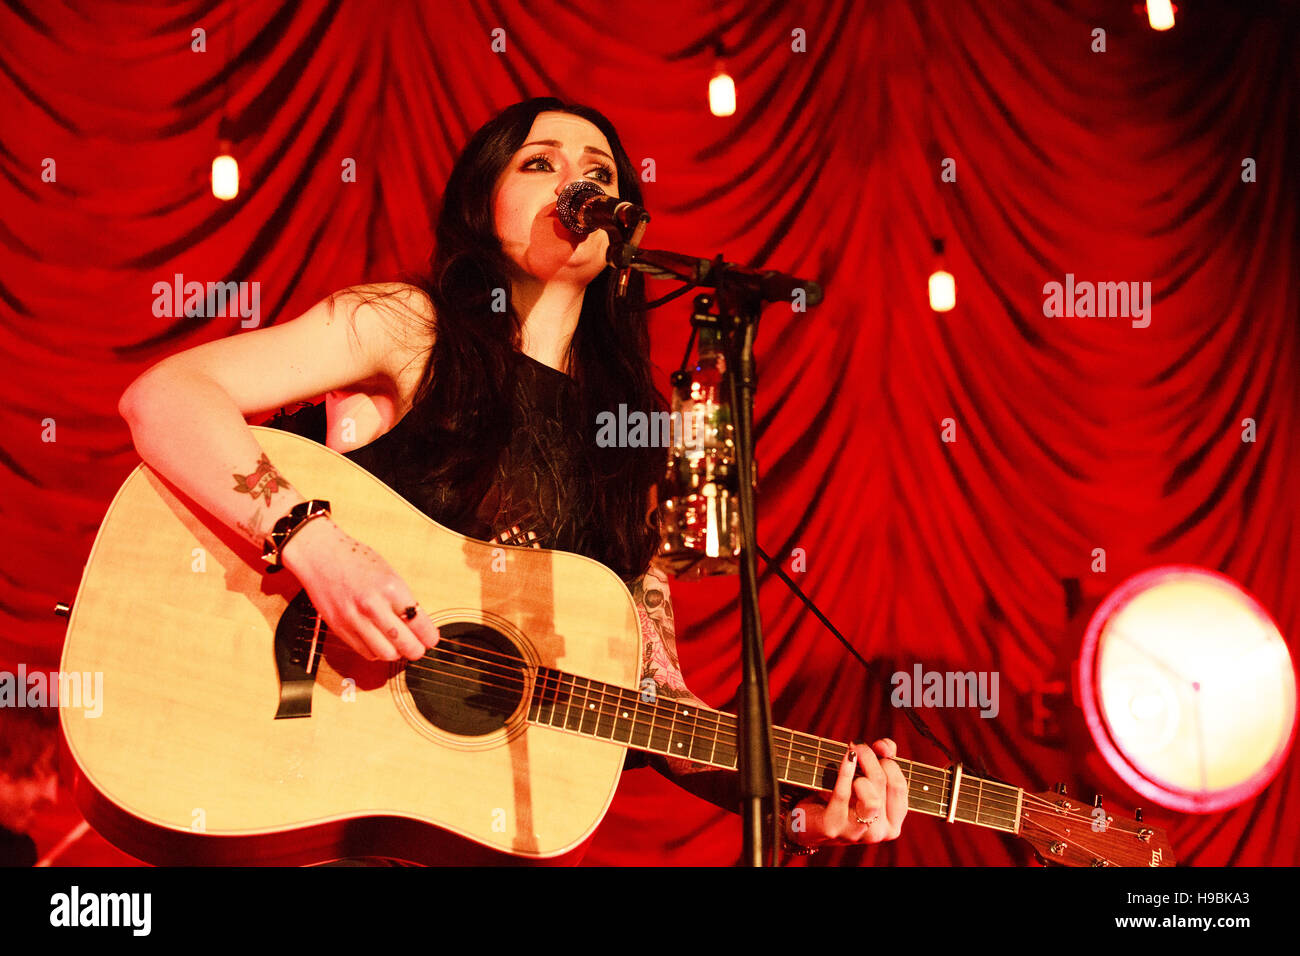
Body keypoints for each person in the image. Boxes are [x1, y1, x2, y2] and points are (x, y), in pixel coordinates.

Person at [117, 96, 906, 863]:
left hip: (466, 829)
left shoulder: (634, 438)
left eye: (602, 170)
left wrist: (803, 814)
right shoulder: (406, 327)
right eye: (541, 162)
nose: (581, 182)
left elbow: (653, 698)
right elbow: (165, 396)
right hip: (306, 771)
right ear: (480, 204)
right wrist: (316, 546)